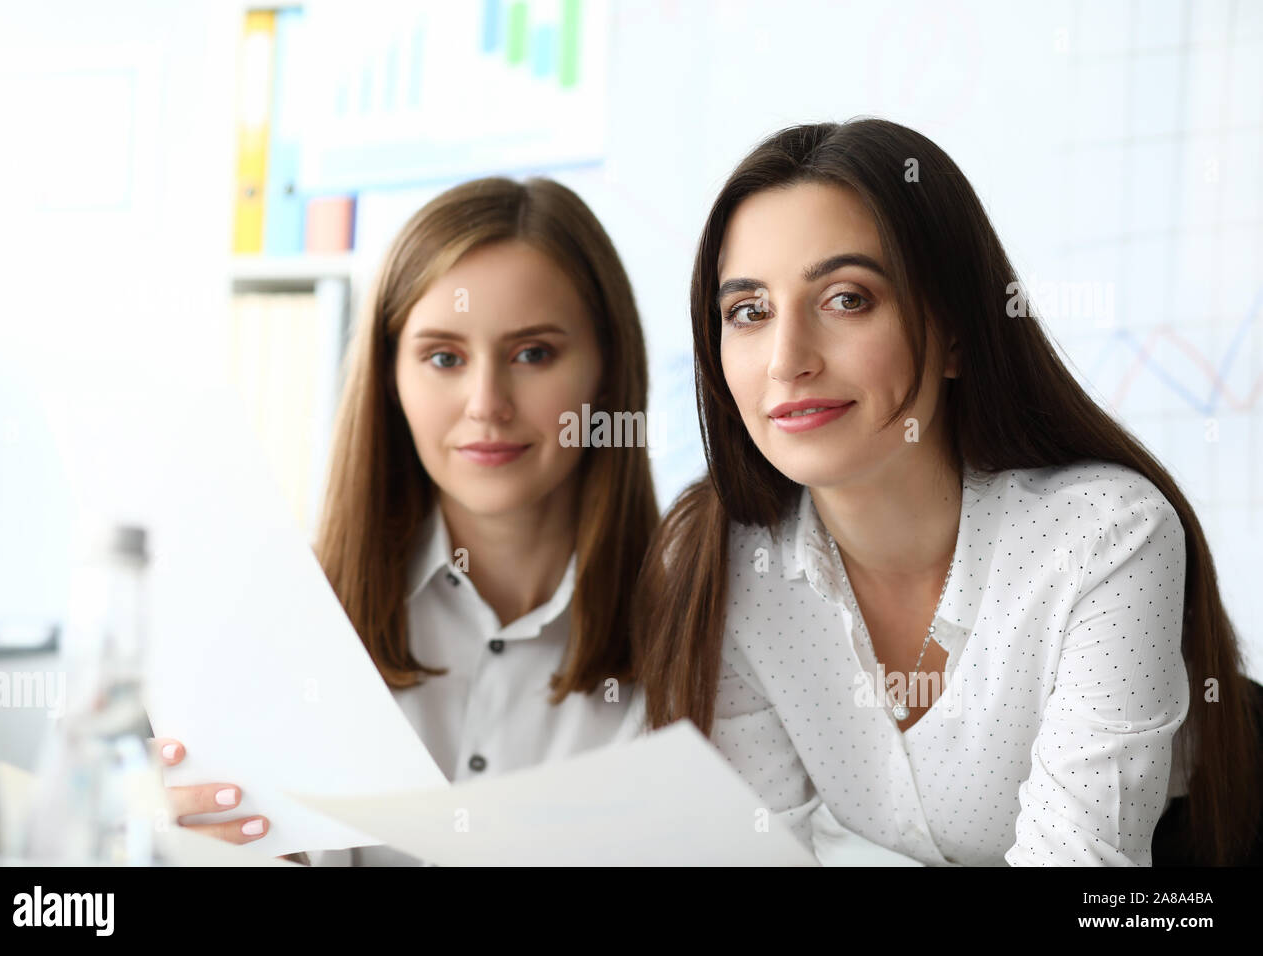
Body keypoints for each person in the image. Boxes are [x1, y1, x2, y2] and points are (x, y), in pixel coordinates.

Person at [632, 118, 1263, 866]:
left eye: (846, 299)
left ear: (957, 332)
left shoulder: (1106, 534)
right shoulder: (719, 560)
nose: (786, 360)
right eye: (749, 311)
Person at [156, 176, 658, 863]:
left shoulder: (695, 633)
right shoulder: (285, 617)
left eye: (533, 353)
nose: (486, 403)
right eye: (443, 357)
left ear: (607, 370)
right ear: (390, 377)